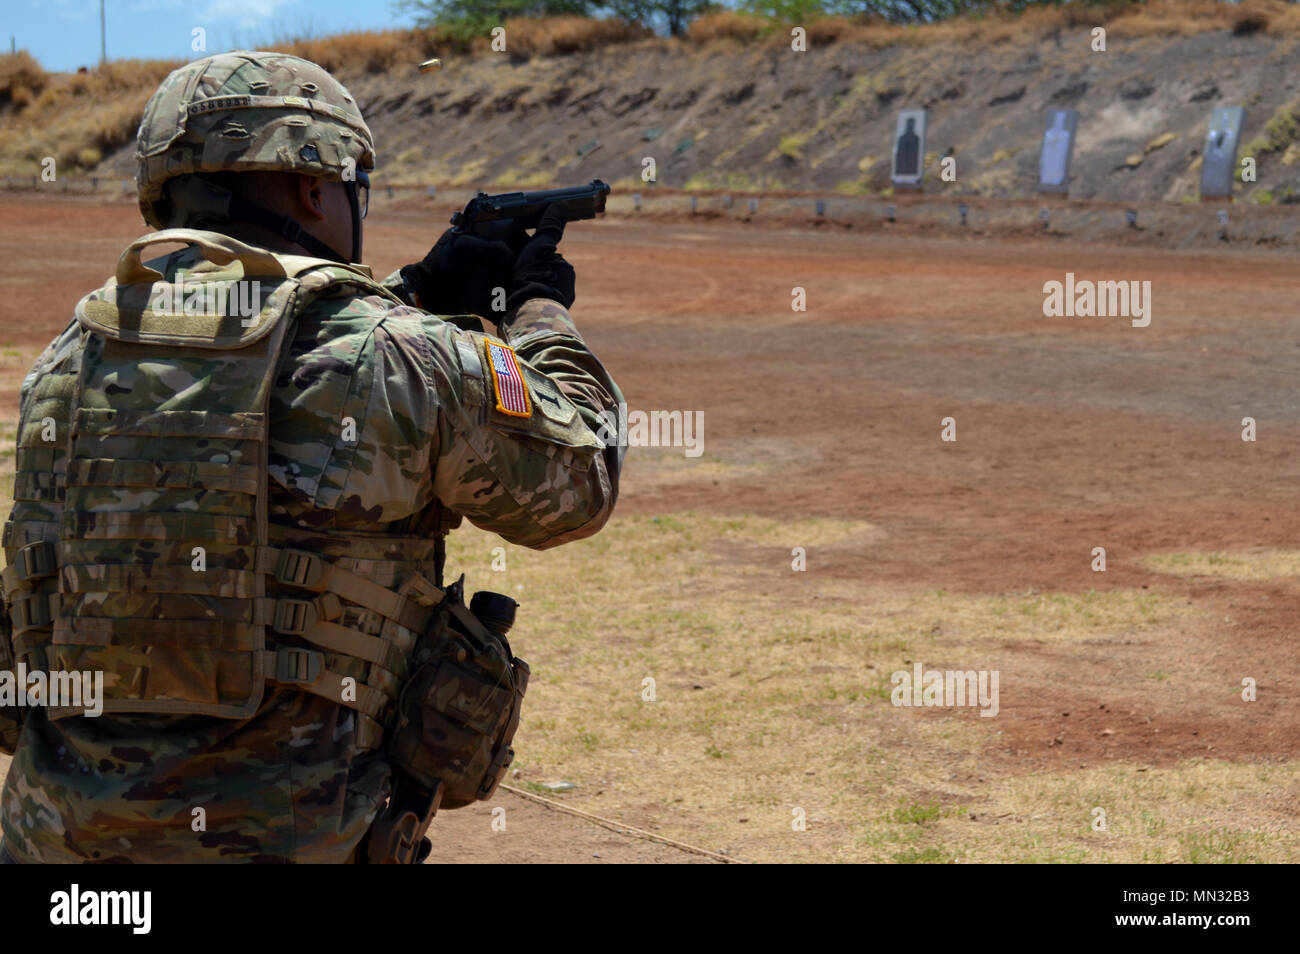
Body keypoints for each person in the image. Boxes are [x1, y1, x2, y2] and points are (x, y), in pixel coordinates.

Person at [0, 50, 623, 863]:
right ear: (312, 186)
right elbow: (583, 481)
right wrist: (539, 313)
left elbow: (250, 352)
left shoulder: (68, 357)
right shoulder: (404, 360)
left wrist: (415, 294)